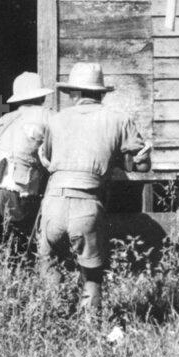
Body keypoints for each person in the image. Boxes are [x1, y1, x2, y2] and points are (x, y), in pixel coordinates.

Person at [36, 62, 148, 314]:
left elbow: (50, 158)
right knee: (92, 273)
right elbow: (140, 165)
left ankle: (52, 321)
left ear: (74, 93)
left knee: (49, 262)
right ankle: (89, 330)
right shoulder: (120, 120)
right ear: (101, 93)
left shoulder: (56, 120)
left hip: (53, 201)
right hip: (87, 202)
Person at [0, 71, 54, 251]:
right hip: (20, 191)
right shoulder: (47, 116)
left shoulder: (4, 120)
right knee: (21, 244)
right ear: (42, 96)